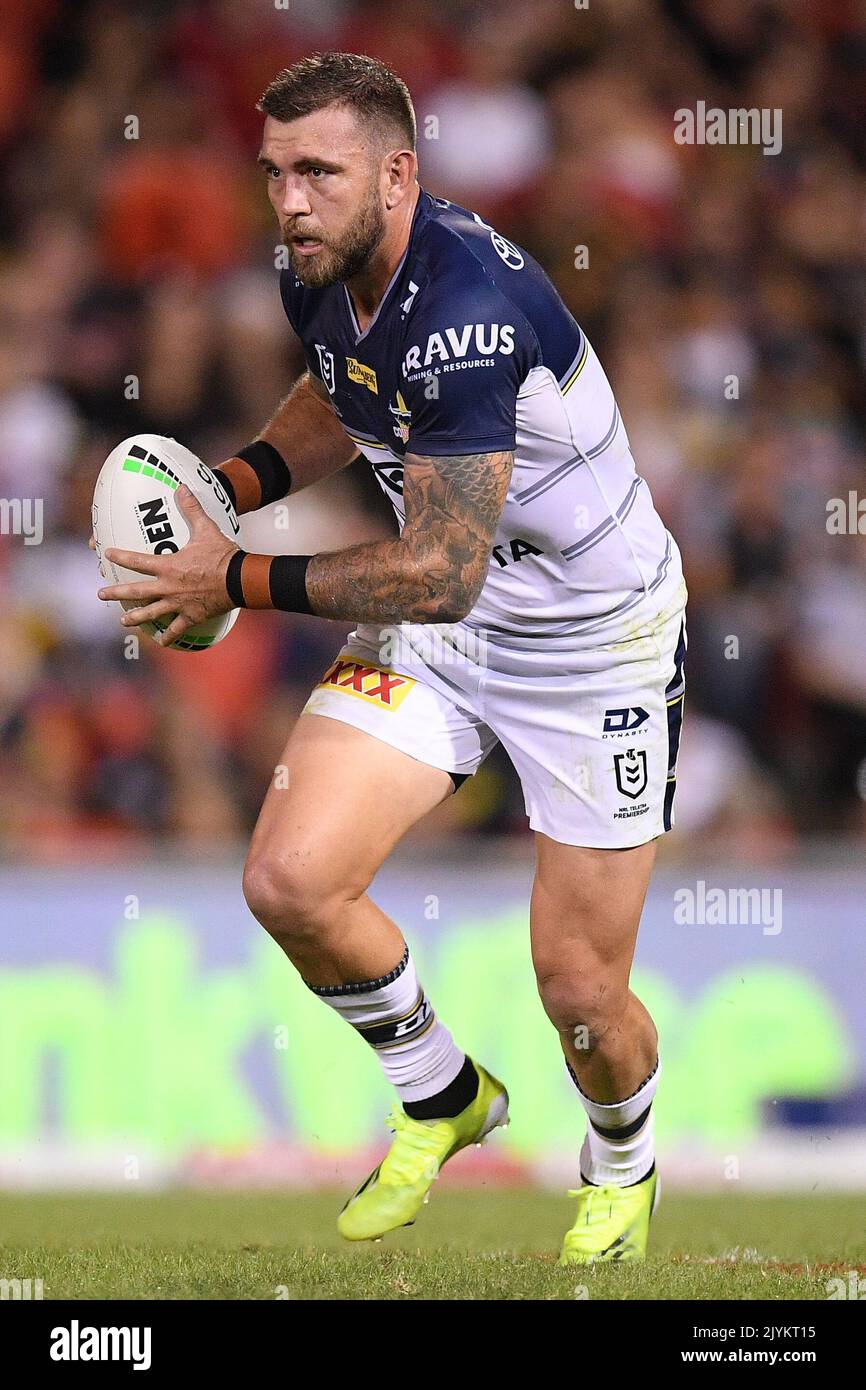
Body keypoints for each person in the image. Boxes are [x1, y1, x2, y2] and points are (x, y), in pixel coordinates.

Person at [97, 52, 688, 1264]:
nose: (289, 202)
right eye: (274, 173)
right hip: (454, 631)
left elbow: (438, 568)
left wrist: (230, 576)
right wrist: (233, 487)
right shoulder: (316, 267)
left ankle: (621, 1159)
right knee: (290, 880)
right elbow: (342, 391)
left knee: (579, 993)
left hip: (592, 644)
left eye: (318, 172)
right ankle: (443, 1094)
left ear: (398, 175)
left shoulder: (467, 312)